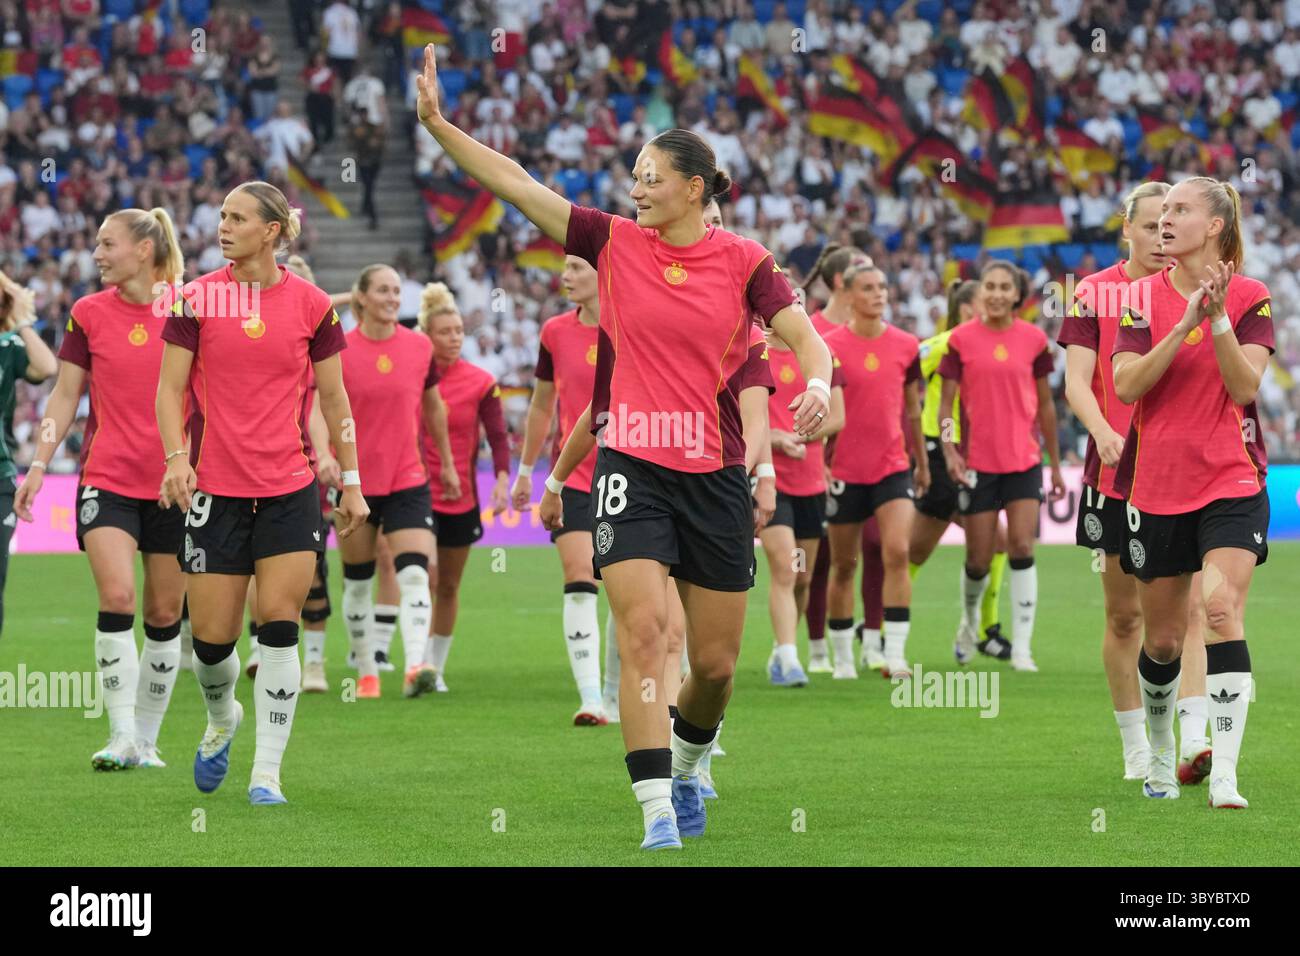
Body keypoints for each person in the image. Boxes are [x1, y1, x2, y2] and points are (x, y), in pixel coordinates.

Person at [414, 44, 831, 850]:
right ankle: (654, 810)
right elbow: (515, 184)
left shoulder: (746, 262)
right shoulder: (611, 242)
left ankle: (688, 757)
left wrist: (815, 385)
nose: (636, 186)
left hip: (713, 475)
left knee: (712, 666)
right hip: (631, 468)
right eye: (633, 174)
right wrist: (439, 124)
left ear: (694, 189)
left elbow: (806, 343)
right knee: (642, 636)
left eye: (651, 175)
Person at [157, 180, 369, 806]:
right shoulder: (194, 299)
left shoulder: (311, 305)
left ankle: (267, 774)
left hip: (290, 490)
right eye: (221, 215)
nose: (223, 226)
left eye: (237, 217)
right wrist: (176, 459)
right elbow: (170, 392)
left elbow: (335, 399)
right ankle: (223, 718)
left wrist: (351, 482)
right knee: (214, 646)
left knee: (279, 625)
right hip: (215, 492)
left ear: (272, 230)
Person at [1112, 176, 1272, 808]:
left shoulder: (1253, 296)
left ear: (1214, 226)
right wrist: (1181, 326)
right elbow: (1125, 387)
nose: (1164, 222)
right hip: (1155, 486)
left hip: (1231, 481)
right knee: (1163, 641)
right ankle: (1158, 751)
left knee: (1221, 609)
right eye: (1160, 213)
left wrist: (1221, 321)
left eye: (1178, 211)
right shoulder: (1139, 299)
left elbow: (1243, 389)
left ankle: (1225, 773)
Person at [1059, 180, 1213, 783]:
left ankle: (1193, 739)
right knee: (1125, 618)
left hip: (1184, 474)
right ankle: (1137, 747)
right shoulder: (1094, 293)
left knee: (1194, 610)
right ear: (1127, 229)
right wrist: (1099, 431)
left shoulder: (1198, 290)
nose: (1160, 234)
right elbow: (1076, 381)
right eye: (1149, 224)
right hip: (1114, 473)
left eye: (1169, 222)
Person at [13, 211, 177, 770]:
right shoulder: (89, 313)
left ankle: (149, 742)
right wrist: (39, 463)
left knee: (162, 612)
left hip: (173, 484)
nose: (97, 253)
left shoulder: (187, 309)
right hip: (107, 477)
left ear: (145, 248)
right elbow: (63, 395)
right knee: (118, 600)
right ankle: (122, 735)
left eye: (108, 244)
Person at [938, 260, 1065, 673]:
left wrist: (1057, 465)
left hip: (1024, 461)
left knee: (1023, 547)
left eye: (1003, 287)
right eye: (989, 286)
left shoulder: (1034, 341)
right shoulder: (960, 340)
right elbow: (946, 405)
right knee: (977, 559)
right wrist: (950, 451)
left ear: (1017, 295)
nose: (995, 293)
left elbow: (1047, 406)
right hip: (978, 463)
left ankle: (1024, 647)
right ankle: (970, 622)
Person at [337, 263, 456, 700]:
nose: (392, 298)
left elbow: (434, 408)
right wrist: (325, 460)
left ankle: (414, 667)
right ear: (361, 297)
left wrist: (445, 462)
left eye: (397, 290)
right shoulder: (339, 349)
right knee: (357, 580)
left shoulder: (419, 347)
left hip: (409, 478)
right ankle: (367, 672)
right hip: (355, 481)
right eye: (383, 290)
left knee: (413, 574)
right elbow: (318, 407)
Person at [511, 254, 612, 725]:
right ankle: (591, 697)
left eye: (576, 268)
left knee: (633, 598)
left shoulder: (631, 325)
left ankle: (615, 696)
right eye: (565, 268)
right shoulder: (554, 331)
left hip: (633, 475)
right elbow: (541, 405)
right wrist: (527, 471)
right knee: (579, 580)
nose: (565, 277)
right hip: (572, 477)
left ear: (603, 273)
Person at [824, 264, 926, 679]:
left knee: (897, 552)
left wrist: (921, 462)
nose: (879, 293)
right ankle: (844, 657)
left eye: (883, 286)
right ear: (848, 295)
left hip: (893, 467)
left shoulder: (906, 345)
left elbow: (913, 409)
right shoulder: (827, 346)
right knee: (844, 565)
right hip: (843, 470)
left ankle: (895, 654)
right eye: (868, 288)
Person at [908, 280, 1012, 663]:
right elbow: (901, 371)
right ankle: (884, 621)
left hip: (972, 455)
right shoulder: (945, 344)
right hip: (940, 454)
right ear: (968, 309)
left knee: (992, 542)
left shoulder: (988, 346)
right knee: (915, 551)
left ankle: (984, 630)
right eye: (982, 304)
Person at [796, 244, 886, 675]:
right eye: (862, 276)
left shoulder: (872, 330)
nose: (873, 287)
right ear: (841, 284)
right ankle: (815, 646)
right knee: (825, 560)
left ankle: (873, 637)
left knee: (875, 548)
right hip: (820, 467)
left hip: (868, 462)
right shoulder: (805, 331)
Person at [419, 281, 510, 692]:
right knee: (425, 579)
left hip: (461, 497)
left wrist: (504, 479)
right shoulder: (412, 376)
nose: (454, 338)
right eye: (444, 332)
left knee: (450, 585)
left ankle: (435, 668)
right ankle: (414, 661)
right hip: (415, 493)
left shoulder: (480, 381)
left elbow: (498, 435)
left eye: (458, 331)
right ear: (427, 335)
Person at [758, 322, 844, 686]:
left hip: (810, 480)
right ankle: (792, 659)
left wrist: (796, 434)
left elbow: (837, 417)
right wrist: (774, 439)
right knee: (784, 568)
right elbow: (740, 415)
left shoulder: (818, 355)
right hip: (770, 480)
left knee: (803, 577)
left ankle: (782, 649)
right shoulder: (751, 355)